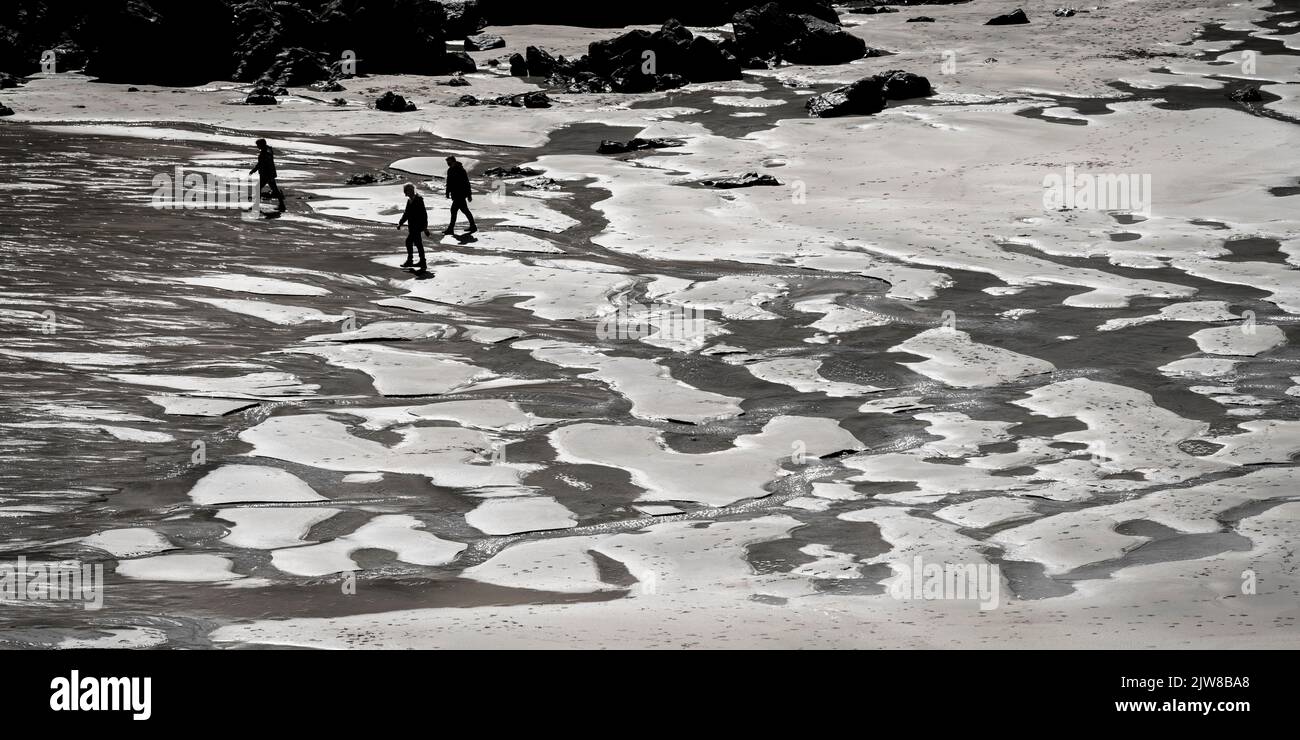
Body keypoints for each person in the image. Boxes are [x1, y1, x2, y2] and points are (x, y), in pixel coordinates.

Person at [396, 183, 431, 270]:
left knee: (409, 242)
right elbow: (406, 214)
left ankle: (411, 261)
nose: (405, 194)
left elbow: (424, 214)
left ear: (411, 190)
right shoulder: (409, 200)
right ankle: (422, 261)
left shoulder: (418, 200)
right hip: (412, 226)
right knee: (417, 243)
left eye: (406, 191)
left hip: (417, 226)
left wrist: (425, 227)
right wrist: (400, 223)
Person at [443, 156, 477, 235]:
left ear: (453, 161)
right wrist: (447, 192)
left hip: (460, 194)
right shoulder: (450, 170)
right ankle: (473, 226)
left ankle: (450, 229)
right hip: (455, 194)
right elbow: (449, 183)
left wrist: (469, 195)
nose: (447, 163)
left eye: (448, 162)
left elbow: (466, 183)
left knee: (453, 210)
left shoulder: (461, 170)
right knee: (465, 210)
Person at [248, 138, 285, 210]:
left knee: (258, 188)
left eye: (258, 145)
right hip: (269, 174)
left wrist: (254, 170)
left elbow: (261, 164)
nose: (257, 146)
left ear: (261, 145)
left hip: (266, 174)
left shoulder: (265, 153)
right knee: (274, 189)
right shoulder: (268, 150)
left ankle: (256, 205)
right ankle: (282, 204)